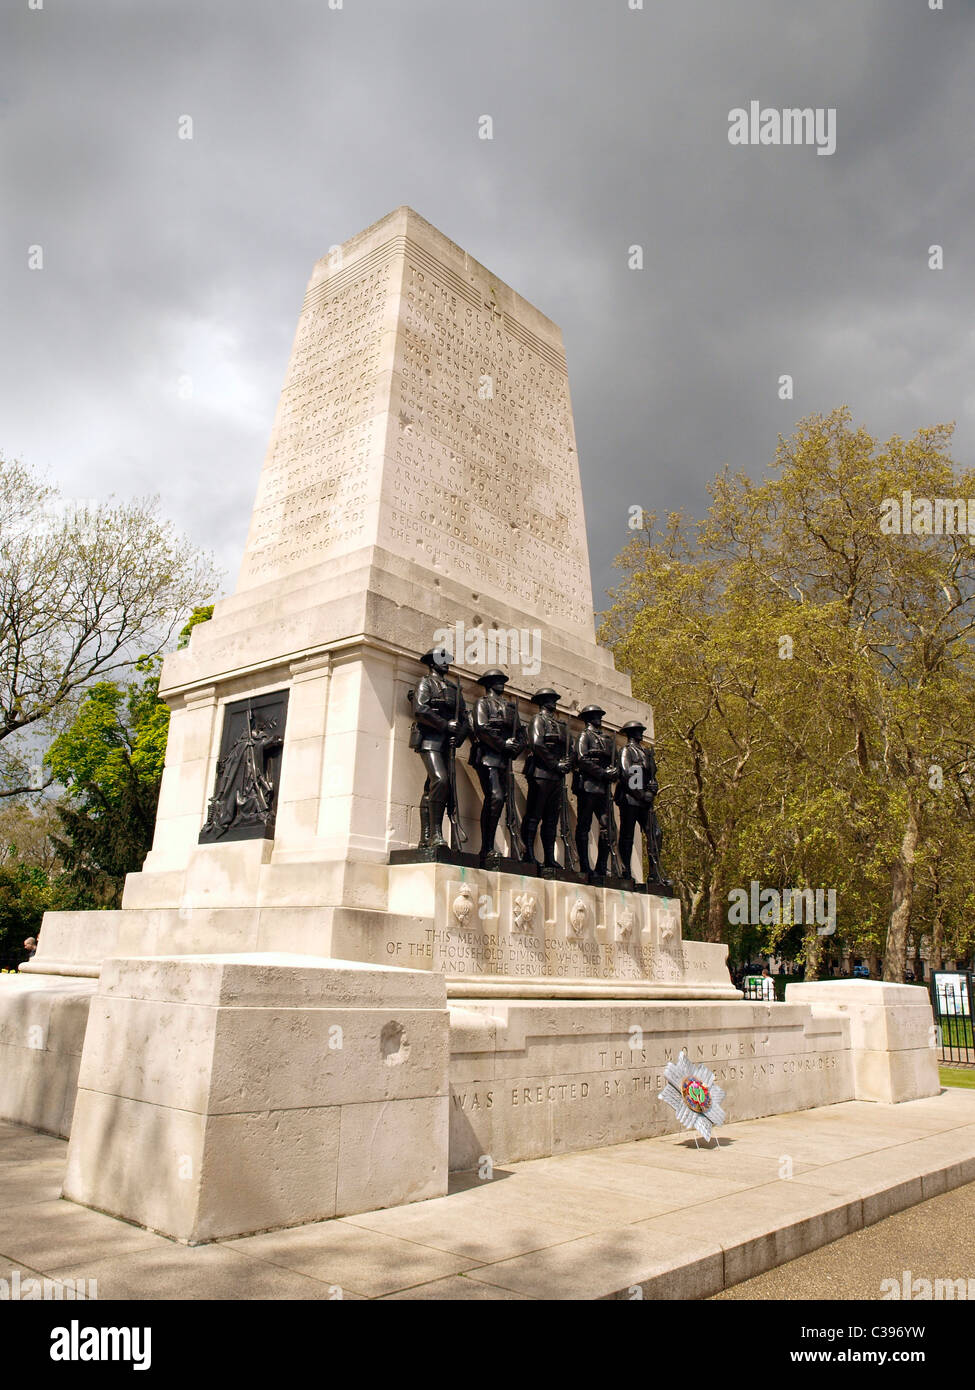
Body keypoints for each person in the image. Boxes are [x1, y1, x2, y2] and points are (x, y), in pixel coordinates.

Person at [409, 647, 469, 849]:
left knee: (433, 787)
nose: (445, 662)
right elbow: (420, 709)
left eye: (447, 659)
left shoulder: (454, 688)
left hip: (446, 744)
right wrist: (444, 725)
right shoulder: (425, 683)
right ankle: (435, 833)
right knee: (440, 780)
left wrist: (458, 737)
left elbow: (464, 718)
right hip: (429, 739)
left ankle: (425, 837)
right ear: (432, 662)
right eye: (440, 659)